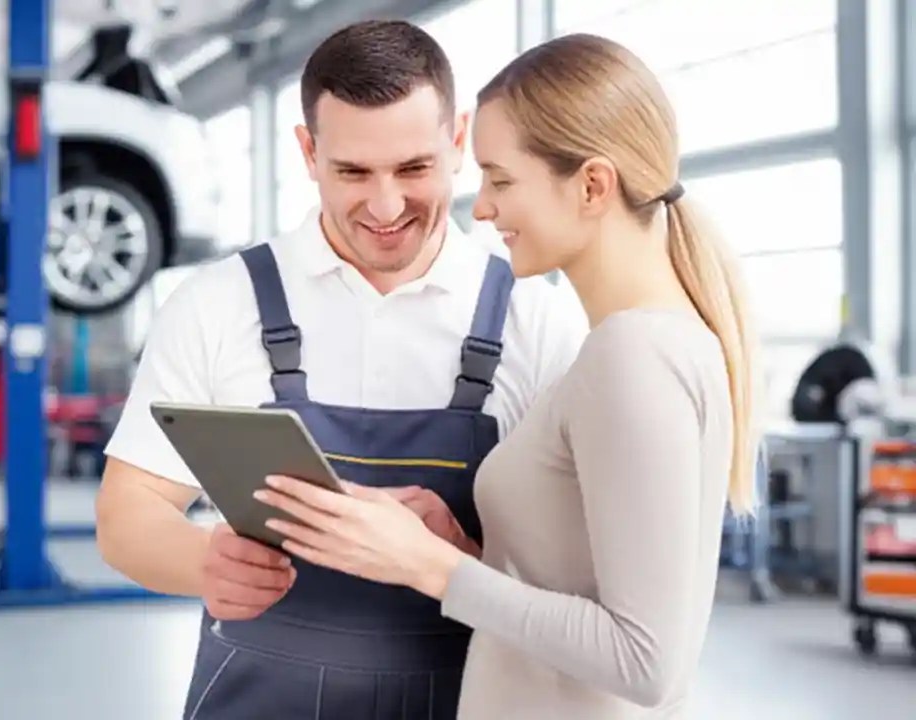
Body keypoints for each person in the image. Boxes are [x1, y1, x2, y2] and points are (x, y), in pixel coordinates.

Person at [254, 32, 761, 719]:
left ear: (591, 184)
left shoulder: (632, 355)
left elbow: (648, 663)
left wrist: (427, 565)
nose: (483, 208)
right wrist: (466, 549)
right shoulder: (647, 344)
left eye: (500, 179)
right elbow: (580, 594)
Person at [95, 19, 589, 720]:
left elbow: (582, 590)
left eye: (413, 169)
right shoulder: (216, 304)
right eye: (353, 172)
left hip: (465, 698)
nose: (386, 207)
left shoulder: (536, 325)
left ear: (458, 142)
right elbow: (127, 515)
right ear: (307, 150)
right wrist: (202, 561)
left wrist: (461, 555)